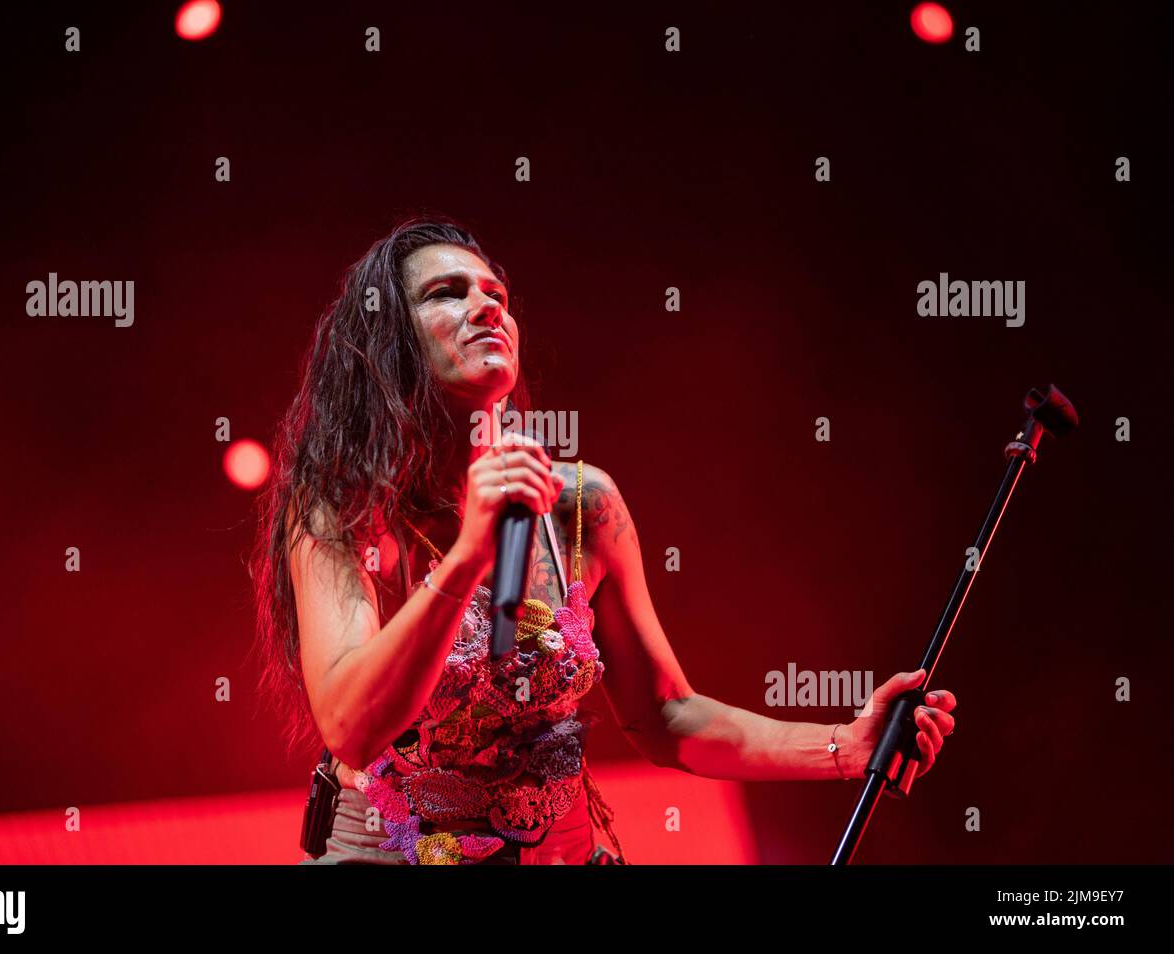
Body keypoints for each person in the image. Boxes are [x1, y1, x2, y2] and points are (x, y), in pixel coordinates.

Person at [250, 217, 958, 865]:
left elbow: (666, 715)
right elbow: (351, 725)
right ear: (390, 339)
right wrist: (470, 556)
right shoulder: (340, 505)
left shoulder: (583, 506)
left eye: (497, 293)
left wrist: (844, 747)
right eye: (447, 293)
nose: (488, 307)